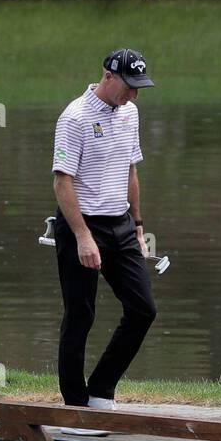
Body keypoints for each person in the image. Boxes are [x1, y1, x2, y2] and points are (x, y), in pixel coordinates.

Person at [50, 47, 157, 413]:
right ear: (107, 77)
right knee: (80, 315)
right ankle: (75, 407)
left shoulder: (130, 113)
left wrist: (139, 227)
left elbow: (131, 171)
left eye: (138, 88)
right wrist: (82, 236)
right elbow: (62, 182)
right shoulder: (74, 117)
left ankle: (101, 390)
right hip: (82, 224)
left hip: (121, 225)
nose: (134, 95)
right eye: (129, 86)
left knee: (143, 309)